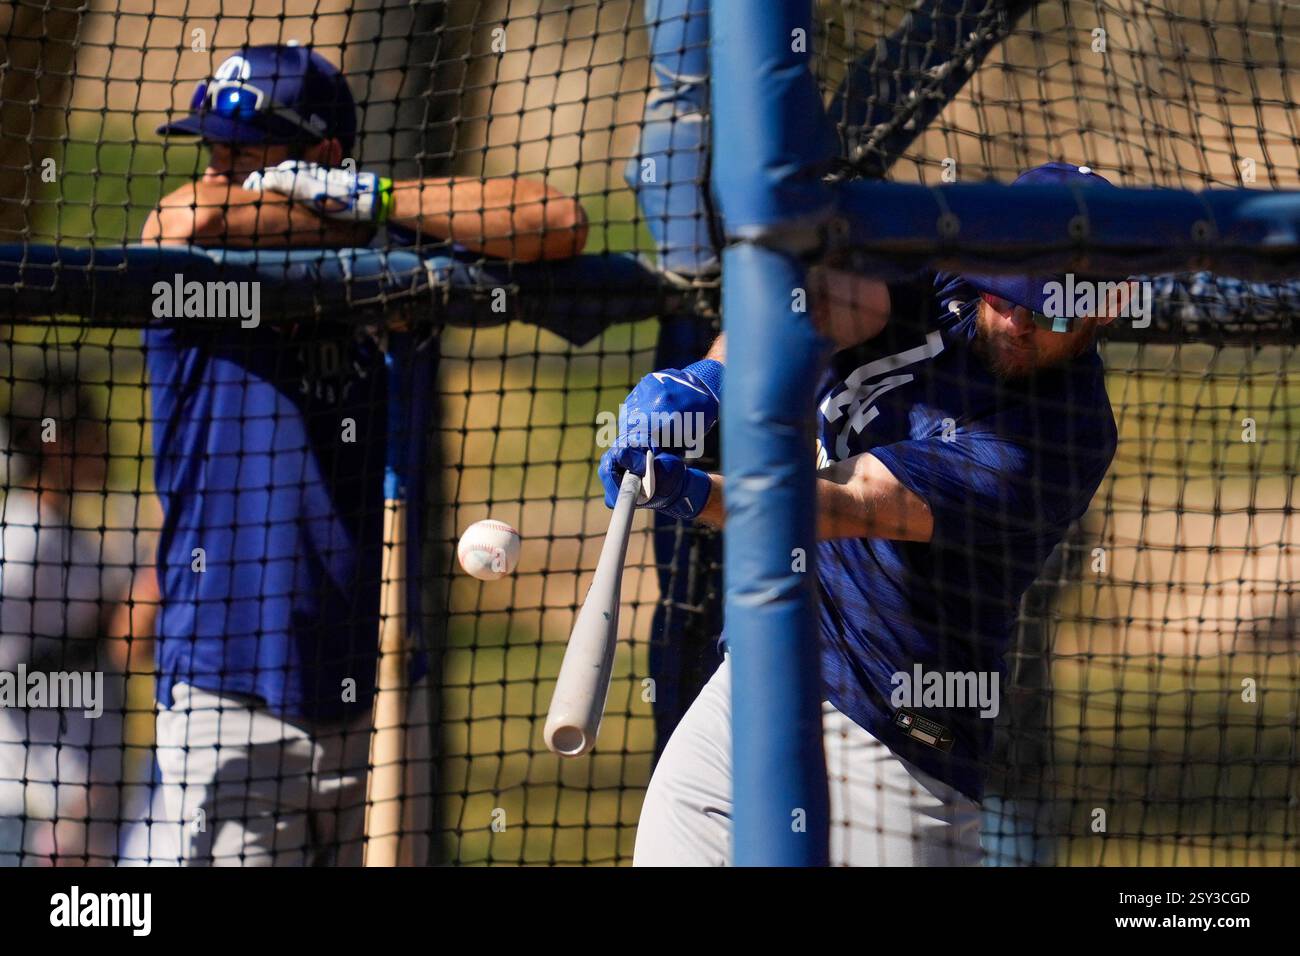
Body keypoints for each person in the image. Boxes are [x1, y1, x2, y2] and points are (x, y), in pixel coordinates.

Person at [602, 163, 1121, 866]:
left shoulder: (1065, 432)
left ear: (1107, 310)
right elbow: (813, 304)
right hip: (761, 672)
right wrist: (712, 376)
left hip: (891, 744)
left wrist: (694, 493)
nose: (1020, 323)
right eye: (1009, 296)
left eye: (1053, 314)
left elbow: (853, 503)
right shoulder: (945, 280)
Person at [142, 43, 587, 865]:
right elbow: (183, 218)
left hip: (381, 690)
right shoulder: (194, 268)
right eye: (213, 150)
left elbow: (558, 223)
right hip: (229, 693)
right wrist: (340, 211)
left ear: (323, 158)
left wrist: (373, 200)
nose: (221, 171)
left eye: (245, 153)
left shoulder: (393, 261)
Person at [0, 369, 155, 865]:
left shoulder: (69, 538)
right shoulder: (23, 541)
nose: (105, 437)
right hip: (33, 815)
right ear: (57, 441)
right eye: (90, 424)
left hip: (78, 817)